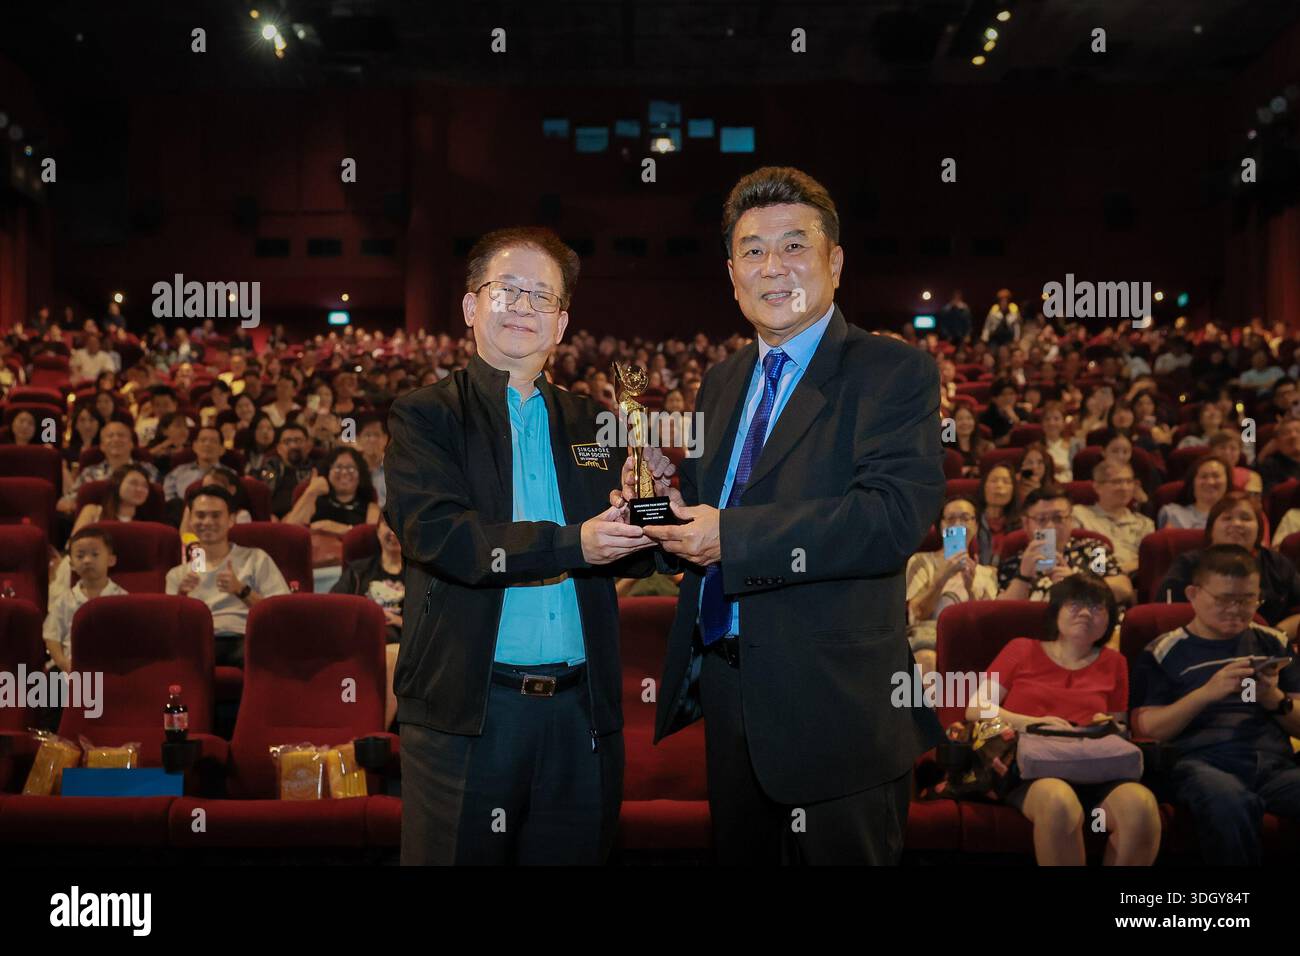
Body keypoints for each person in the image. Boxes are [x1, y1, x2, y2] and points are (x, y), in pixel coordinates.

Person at [640, 167, 945, 865]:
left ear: (834, 263)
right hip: (730, 692)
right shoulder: (722, 381)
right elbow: (708, 510)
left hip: (837, 711)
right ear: (731, 274)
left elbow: (891, 518)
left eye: (793, 246)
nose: (772, 267)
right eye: (752, 251)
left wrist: (731, 537)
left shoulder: (891, 372)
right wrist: (653, 508)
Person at [384, 225, 656, 866]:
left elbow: (636, 549)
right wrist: (574, 544)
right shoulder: (427, 416)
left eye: (542, 297)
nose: (523, 308)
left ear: (562, 323)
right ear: (471, 306)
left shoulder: (596, 423)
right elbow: (442, 536)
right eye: (507, 290)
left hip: (580, 716)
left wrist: (650, 509)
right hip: (468, 714)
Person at [972, 574, 1160, 865]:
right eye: (1076, 604)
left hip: (1098, 768)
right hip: (1032, 768)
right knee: (1060, 803)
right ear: (1056, 610)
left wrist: (1107, 724)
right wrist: (1031, 722)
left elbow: (1120, 727)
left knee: (1142, 808)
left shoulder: (1115, 662)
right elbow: (976, 708)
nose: (1086, 613)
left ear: (1109, 619)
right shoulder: (1021, 649)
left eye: (1098, 608)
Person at [1131, 545, 1300, 865]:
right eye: (1224, 600)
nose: (1236, 610)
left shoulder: (1272, 642)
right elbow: (1147, 728)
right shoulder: (1163, 651)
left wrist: (1272, 700)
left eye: (1247, 600)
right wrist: (1207, 693)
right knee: (1227, 800)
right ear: (1193, 594)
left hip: (1273, 764)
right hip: (1202, 762)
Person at [165, 485, 289, 667]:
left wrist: (242, 591)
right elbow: (171, 629)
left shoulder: (255, 558)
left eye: (215, 515)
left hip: (245, 638)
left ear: (231, 520)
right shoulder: (178, 575)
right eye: (200, 515)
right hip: (200, 642)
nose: (207, 522)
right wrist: (181, 599)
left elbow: (281, 614)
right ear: (190, 521)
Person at [1154, 492, 1300, 636]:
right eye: (1227, 518)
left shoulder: (1277, 563)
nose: (1236, 524)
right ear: (1211, 529)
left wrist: (1275, 634)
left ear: (1259, 530)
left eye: (1245, 518)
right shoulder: (1189, 564)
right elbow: (1169, 614)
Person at [906, 498, 998, 676]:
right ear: (940, 526)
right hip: (929, 636)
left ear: (976, 525)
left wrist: (970, 588)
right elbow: (916, 614)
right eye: (950, 519)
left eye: (965, 518)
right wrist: (942, 577)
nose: (957, 524)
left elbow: (986, 625)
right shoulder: (920, 561)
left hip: (970, 637)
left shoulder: (987, 573)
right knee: (926, 657)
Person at [998, 484, 1132, 605]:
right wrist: (1023, 576)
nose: (1050, 526)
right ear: (1026, 524)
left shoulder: (1094, 551)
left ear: (1071, 521)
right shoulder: (1014, 563)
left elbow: (1124, 589)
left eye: (1058, 518)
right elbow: (1004, 613)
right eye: (1041, 519)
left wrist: (1077, 582)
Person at [332, 516, 405, 729]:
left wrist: (400, 621)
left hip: (400, 643)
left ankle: (376, 734)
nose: (392, 532)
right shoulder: (358, 571)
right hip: (360, 641)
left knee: (391, 656)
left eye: (397, 526)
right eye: (386, 525)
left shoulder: (421, 574)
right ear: (377, 529)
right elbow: (333, 607)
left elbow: (431, 619)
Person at [43, 527, 128, 673]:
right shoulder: (64, 600)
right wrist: (63, 663)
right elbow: (51, 637)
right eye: (80, 556)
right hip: (70, 666)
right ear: (71, 564)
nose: (87, 560)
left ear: (111, 560)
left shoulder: (122, 598)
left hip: (110, 665)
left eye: (95, 554)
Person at [1072, 460, 1154, 576]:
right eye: (1117, 482)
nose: (1124, 487)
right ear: (1097, 487)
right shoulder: (1079, 515)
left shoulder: (1144, 523)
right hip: (1094, 582)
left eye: (1129, 481)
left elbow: (1149, 563)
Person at [59, 420, 158, 515]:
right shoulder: (89, 473)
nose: (116, 439)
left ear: (131, 444)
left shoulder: (149, 470)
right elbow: (65, 502)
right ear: (102, 446)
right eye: (110, 436)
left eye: (121, 435)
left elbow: (159, 502)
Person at [283, 446, 380, 533]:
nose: (344, 473)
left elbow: (373, 538)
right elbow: (288, 532)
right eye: (338, 467)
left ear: (360, 474)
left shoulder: (370, 507)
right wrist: (311, 491)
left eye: (351, 468)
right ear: (328, 472)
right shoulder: (314, 500)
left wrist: (344, 529)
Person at [256, 423, 316, 519]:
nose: (293, 446)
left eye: (298, 440)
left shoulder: (315, 470)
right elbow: (264, 482)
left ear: (308, 446)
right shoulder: (271, 469)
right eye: (287, 441)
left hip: (305, 518)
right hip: (273, 520)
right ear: (279, 449)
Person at [1157, 454, 1231, 530]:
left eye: (1216, 476)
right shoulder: (1173, 514)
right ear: (1193, 482)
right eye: (1204, 476)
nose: (1210, 482)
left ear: (1228, 481)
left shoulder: (1237, 518)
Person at [162, 425, 224, 502]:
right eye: (203, 440)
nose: (207, 444)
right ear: (194, 446)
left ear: (222, 449)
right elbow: (168, 499)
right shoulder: (178, 473)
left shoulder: (230, 475)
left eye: (213, 441)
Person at [975, 463, 1018, 565]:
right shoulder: (970, 520)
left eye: (1006, 482)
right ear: (984, 486)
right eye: (993, 481)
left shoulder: (1023, 524)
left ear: (1014, 489)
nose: (999, 486)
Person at [945, 404, 993, 478]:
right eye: (960, 419)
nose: (965, 422)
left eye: (969, 418)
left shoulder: (987, 447)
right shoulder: (944, 449)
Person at [1257, 418, 1300, 494]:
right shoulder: (1270, 466)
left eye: (1298, 431)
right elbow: (1270, 496)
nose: (1293, 436)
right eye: (1286, 433)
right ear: (1277, 442)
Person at [979, 378, 1020, 444]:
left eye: (1011, 394)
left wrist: (1014, 419)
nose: (1008, 398)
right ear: (994, 398)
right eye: (1003, 394)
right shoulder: (985, 418)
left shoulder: (1023, 413)